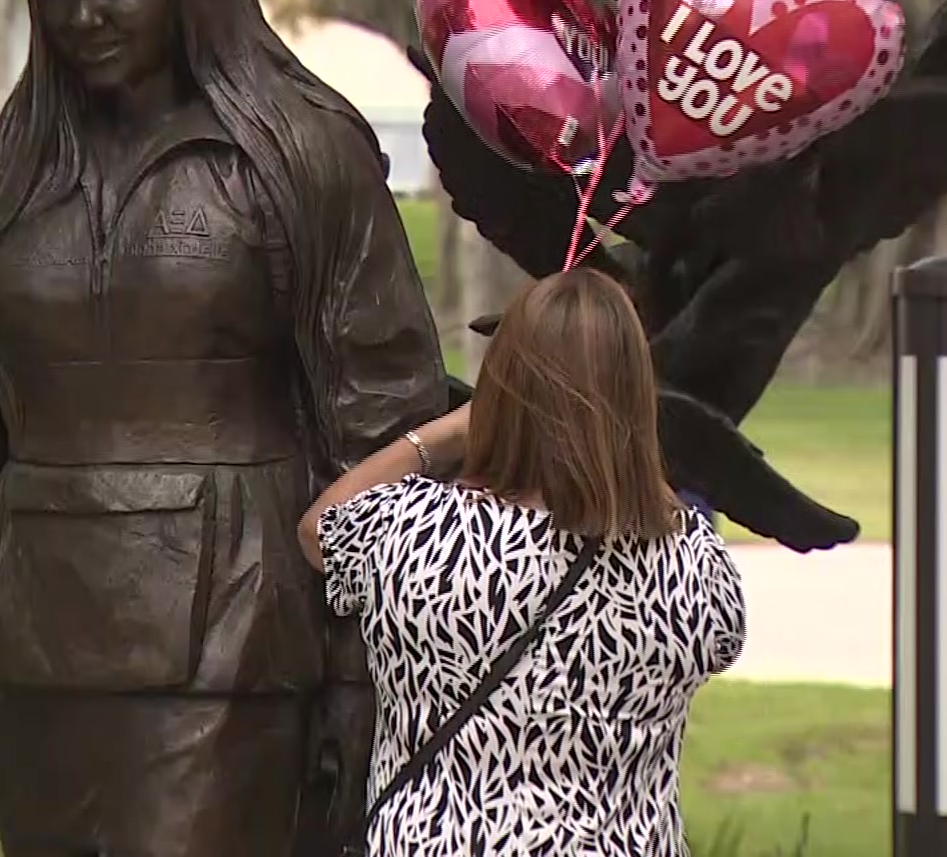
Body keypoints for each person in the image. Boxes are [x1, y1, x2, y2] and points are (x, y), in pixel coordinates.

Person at [0, 0, 452, 857]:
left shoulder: (301, 153)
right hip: (34, 639)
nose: (82, 17)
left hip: (235, 644)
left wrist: (359, 661)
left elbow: (379, 415)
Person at [300, 268, 747, 856]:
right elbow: (717, 628)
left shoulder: (415, 534)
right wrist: (625, 443)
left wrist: (446, 433)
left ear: (500, 391)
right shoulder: (694, 571)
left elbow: (318, 529)